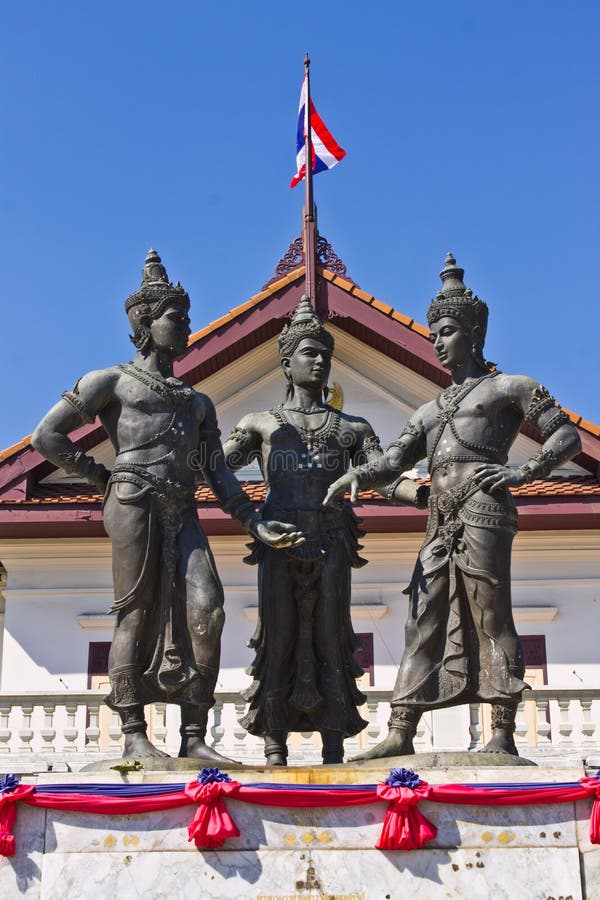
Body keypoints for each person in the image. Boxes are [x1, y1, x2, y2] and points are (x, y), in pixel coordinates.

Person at [32, 249, 303, 760]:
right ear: (145, 323)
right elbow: (46, 437)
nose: (185, 329)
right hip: (134, 500)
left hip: (184, 506)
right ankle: (134, 731)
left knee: (209, 610)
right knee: (136, 610)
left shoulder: (197, 401)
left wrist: (252, 518)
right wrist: (101, 476)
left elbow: (217, 470)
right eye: (176, 319)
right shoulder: (109, 381)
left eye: (186, 319)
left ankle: (194, 734)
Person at [324, 254, 581, 758]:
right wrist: (354, 474)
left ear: (473, 332)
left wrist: (522, 473)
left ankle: (502, 733)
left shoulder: (510, 389)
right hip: (439, 518)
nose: (438, 342)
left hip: (485, 509)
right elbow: (394, 461)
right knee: (421, 614)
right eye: (434, 333)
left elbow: (566, 437)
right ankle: (401, 729)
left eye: (446, 332)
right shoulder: (429, 409)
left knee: (491, 615)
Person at [223, 296, 425, 765]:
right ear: (286, 361)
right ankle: (275, 744)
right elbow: (217, 469)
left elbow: (381, 475)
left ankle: (334, 743)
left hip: (332, 538)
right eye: (309, 352)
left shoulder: (352, 427)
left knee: (333, 634)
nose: (319, 361)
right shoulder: (259, 424)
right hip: (278, 539)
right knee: (280, 633)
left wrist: (418, 495)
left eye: (324, 354)